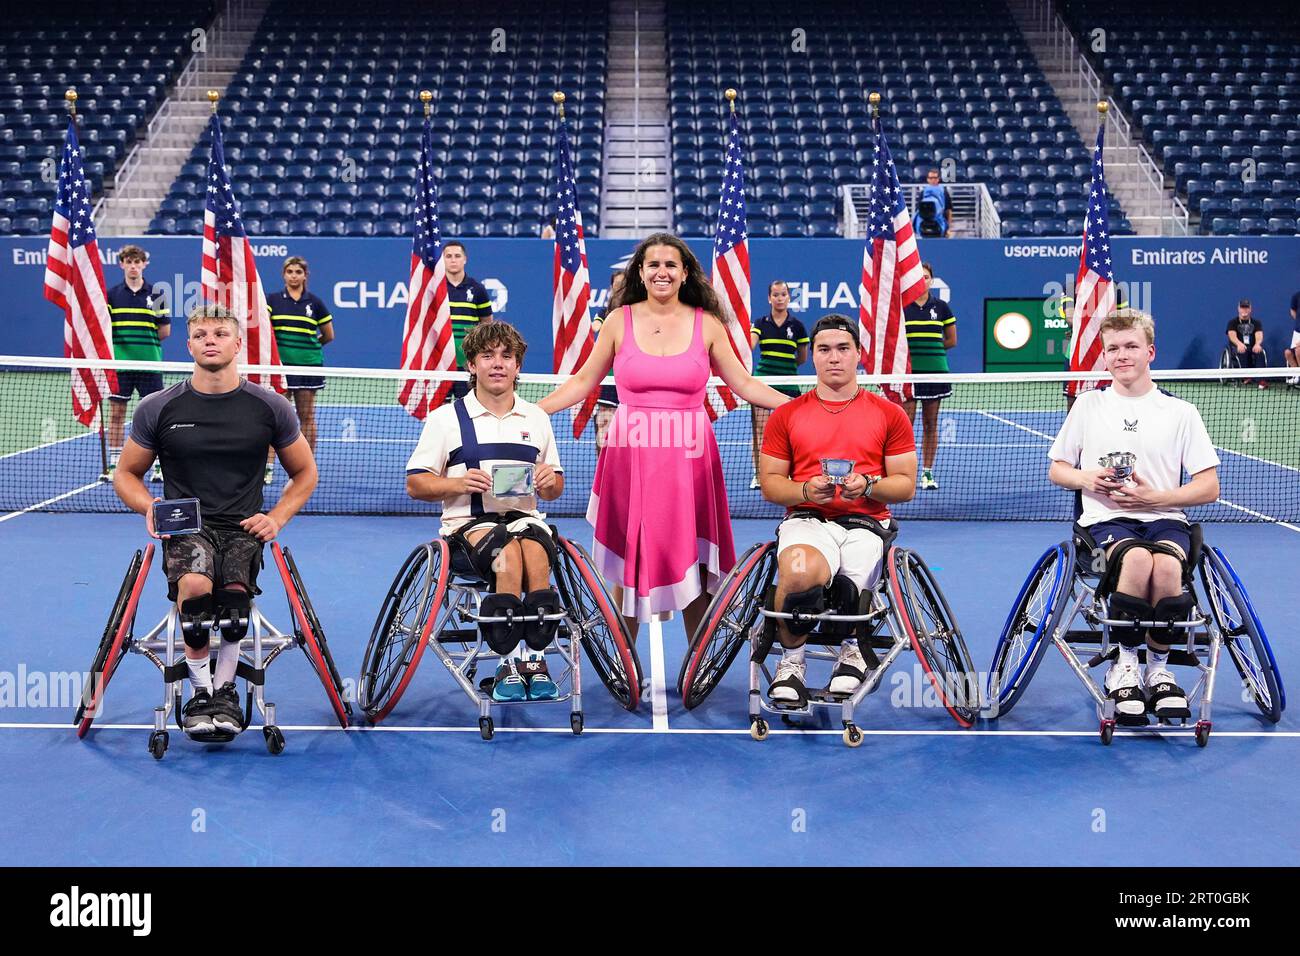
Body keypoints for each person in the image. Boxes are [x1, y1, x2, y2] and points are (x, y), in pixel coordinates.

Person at [538, 232, 790, 643]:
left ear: (685, 272)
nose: (662, 272)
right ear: (640, 271)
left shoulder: (707, 323)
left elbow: (743, 383)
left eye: (671, 265)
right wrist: (533, 410)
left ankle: (699, 665)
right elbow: (585, 380)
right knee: (628, 563)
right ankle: (625, 664)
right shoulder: (619, 320)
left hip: (690, 457)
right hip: (630, 453)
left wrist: (798, 405)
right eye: (653, 264)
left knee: (693, 559)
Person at [113, 304, 318, 737]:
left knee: (234, 605)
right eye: (202, 334)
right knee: (196, 586)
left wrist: (277, 518)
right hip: (186, 525)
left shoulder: (270, 406)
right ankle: (200, 692)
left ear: (237, 343)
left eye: (221, 333)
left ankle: (225, 692)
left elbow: (306, 472)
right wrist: (148, 506)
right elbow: (126, 473)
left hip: (243, 526)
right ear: (188, 345)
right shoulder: (157, 407)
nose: (211, 340)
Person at [1047, 309, 1220, 723]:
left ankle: (1158, 672)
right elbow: (1057, 469)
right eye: (1113, 349)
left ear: (1150, 352)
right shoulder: (1088, 406)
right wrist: (1087, 477)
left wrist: (1157, 497)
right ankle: (1124, 666)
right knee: (1139, 558)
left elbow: (1208, 487)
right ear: (1104, 357)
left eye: (1130, 347)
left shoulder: (1181, 413)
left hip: (1166, 519)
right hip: (1104, 523)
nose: (1121, 355)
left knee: (1164, 566)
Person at [758, 314, 917, 703]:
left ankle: (851, 654)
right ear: (812, 355)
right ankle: (791, 663)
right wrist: (806, 491)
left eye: (843, 349)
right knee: (798, 575)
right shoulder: (786, 415)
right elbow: (771, 484)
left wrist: (871, 485)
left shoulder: (890, 414)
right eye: (825, 349)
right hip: (807, 519)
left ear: (858, 355)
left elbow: (906, 485)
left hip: (866, 523)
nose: (834, 358)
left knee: (849, 588)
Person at [406, 321, 566, 701]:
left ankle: (536, 661)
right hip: (467, 527)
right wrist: (457, 484)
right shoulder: (445, 419)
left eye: (506, 356)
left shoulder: (536, 418)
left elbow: (556, 487)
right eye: (488, 356)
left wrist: (548, 481)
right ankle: (508, 664)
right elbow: (416, 484)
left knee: (535, 549)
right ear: (472, 365)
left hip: (525, 521)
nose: (498, 364)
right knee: (509, 555)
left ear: (517, 366)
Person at [265, 256, 334, 484]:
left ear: (305, 275)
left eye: (298, 272)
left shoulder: (314, 303)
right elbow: (265, 330)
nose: (294, 275)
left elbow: (328, 334)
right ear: (284, 275)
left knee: (306, 416)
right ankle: (268, 466)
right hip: (281, 368)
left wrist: (307, 349)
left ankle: (307, 467)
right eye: (290, 271)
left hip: (308, 366)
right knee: (274, 417)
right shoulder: (272, 300)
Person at [105, 244, 170, 481]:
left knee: (154, 416)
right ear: (122, 264)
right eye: (128, 262)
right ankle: (114, 464)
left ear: (144, 264)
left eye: (137, 262)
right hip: (119, 366)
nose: (133, 266)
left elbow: (165, 330)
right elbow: (104, 329)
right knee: (116, 414)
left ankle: (159, 466)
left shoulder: (158, 294)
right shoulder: (111, 295)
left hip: (150, 365)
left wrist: (143, 347)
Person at [747, 279, 808, 489]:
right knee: (761, 430)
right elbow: (751, 346)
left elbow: (802, 357)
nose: (779, 298)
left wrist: (786, 370)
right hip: (763, 382)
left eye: (783, 294)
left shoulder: (798, 326)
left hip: (789, 383)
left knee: (792, 432)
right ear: (769, 298)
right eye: (775, 294)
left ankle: (790, 472)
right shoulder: (760, 323)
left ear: (789, 297)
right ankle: (760, 474)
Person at [901, 263, 956, 490]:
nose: (921, 281)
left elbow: (951, 340)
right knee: (906, 425)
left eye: (925, 277)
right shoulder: (902, 307)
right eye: (917, 277)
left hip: (935, 373)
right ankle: (905, 473)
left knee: (930, 423)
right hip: (909, 375)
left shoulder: (942, 307)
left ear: (931, 280)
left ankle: (927, 472)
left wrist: (931, 351)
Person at [443, 240, 495, 400]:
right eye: (448, 256)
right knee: (439, 411)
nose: (453, 260)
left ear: (465, 259)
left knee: (466, 408)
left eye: (457, 256)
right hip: (442, 363)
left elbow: (487, 324)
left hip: (466, 362)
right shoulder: (436, 289)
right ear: (443, 259)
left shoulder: (477, 289)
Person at [589, 270, 626, 452]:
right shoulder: (606, 312)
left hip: (629, 377)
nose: (620, 290)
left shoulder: (638, 312)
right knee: (604, 420)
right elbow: (595, 326)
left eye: (623, 285)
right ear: (612, 288)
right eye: (617, 286)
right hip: (610, 379)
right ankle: (602, 459)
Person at [1225, 298, 1267, 389]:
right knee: (1242, 350)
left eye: (1246, 308)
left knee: (1259, 351)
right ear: (1238, 309)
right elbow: (1231, 335)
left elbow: (1259, 335)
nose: (1244, 310)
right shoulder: (1232, 322)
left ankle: (1261, 380)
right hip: (1237, 347)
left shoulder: (1256, 323)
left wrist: (1257, 344)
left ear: (1250, 309)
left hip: (1252, 347)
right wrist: (1239, 344)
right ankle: (1246, 376)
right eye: (1242, 307)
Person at [1287, 289, 1300, 388]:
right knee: (1288, 353)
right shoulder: (1296, 296)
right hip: (1298, 332)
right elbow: (1293, 311)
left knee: (1298, 351)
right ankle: (1297, 375)